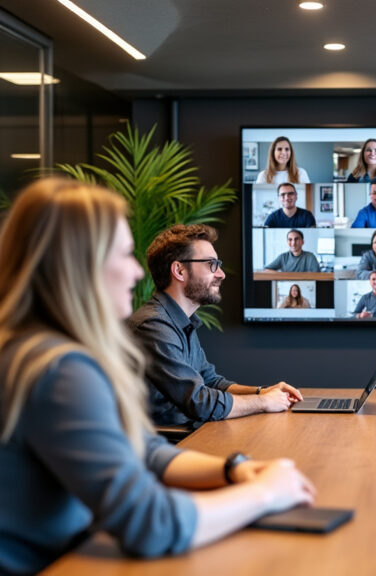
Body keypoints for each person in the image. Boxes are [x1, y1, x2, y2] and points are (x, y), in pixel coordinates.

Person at [0, 179, 315, 574]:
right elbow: (149, 522)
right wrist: (264, 494)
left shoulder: (45, 351)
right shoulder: (58, 369)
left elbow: (141, 447)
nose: (137, 272)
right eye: (123, 254)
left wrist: (234, 469)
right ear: (77, 265)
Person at [130, 225, 305, 427]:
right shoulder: (153, 326)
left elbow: (211, 381)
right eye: (211, 264)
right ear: (179, 270)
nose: (221, 274)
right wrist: (263, 402)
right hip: (167, 440)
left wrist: (262, 392)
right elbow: (199, 402)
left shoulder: (180, 321)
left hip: (189, 433)